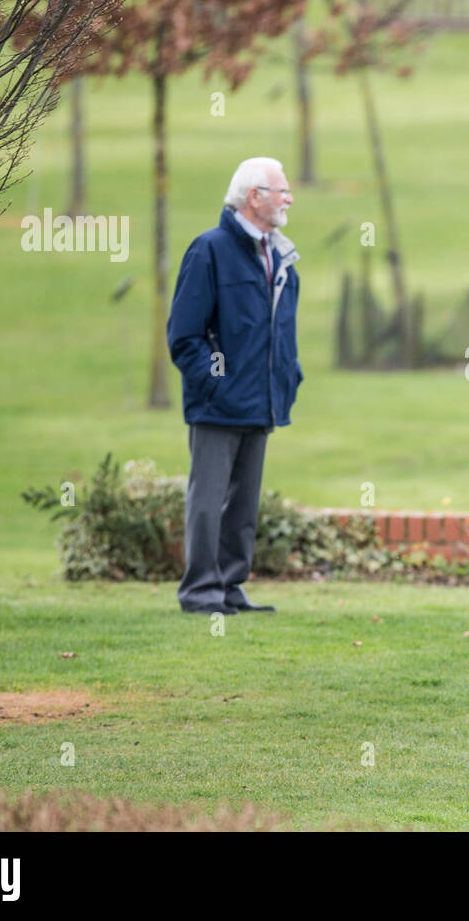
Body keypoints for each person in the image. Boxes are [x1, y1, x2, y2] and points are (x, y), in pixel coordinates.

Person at [166, 157, 303, 615]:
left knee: (243, 506)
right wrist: (216, 382)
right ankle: (200, 591)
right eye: (281, 191)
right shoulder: (208, 251)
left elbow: (281, 333)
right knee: (208, 502)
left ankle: (229, 587)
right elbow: (184, 337)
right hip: (218, 405)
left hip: (260, 404)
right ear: (254, 197)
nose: (288, 199)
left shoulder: (281, 257)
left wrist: (289, 377)